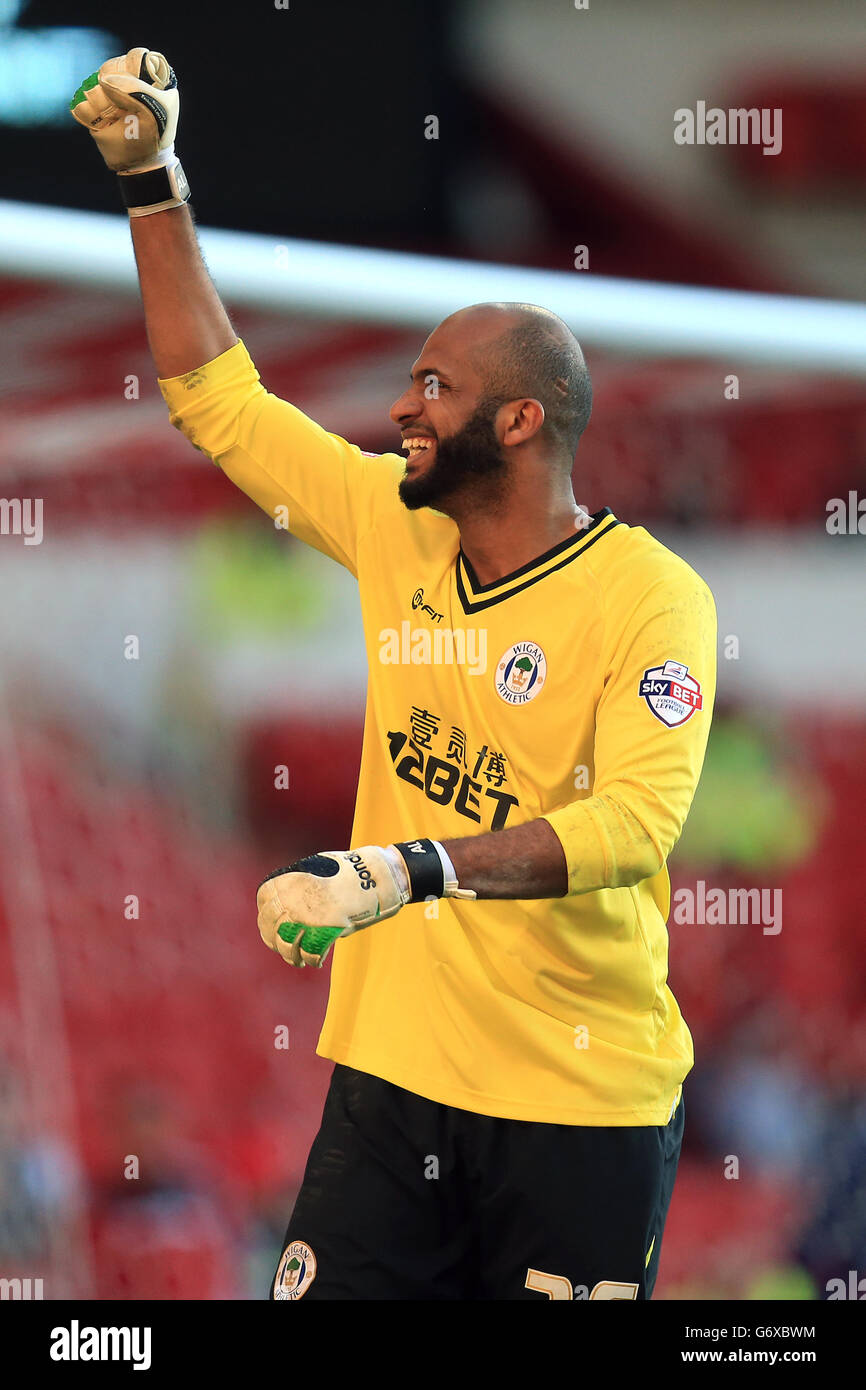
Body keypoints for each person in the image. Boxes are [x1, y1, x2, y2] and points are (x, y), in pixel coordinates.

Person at [71, 48, 717, 1301]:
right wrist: (153, 181)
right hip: (391, 1079)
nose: (403, 408)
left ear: (520, 423)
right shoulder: (392, 521)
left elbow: (636, 826)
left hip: (578, 1099)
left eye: (434, 387)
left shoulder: (651, 597)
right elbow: (221, 403)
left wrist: (409, 870)